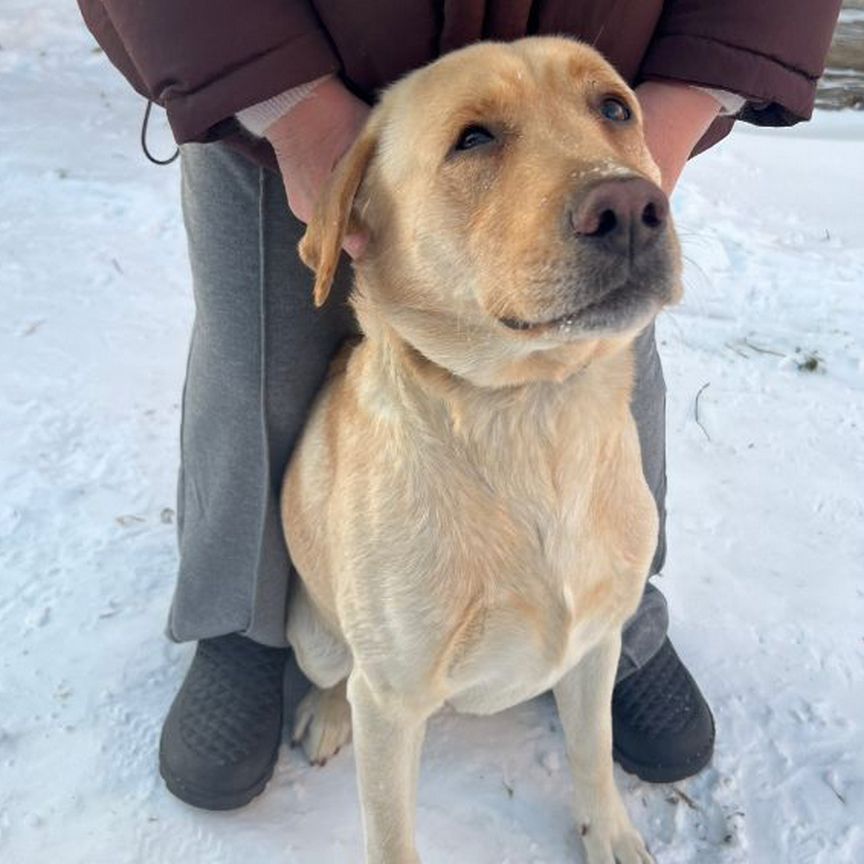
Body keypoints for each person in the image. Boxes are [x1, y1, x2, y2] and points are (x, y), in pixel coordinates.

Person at [78, 1, 842, 810]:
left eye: (611, 112)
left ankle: (615, 619)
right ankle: (245, 621)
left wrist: (687, 95)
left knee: (596, 348)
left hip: (608, 33)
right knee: (260, 358)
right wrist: (283, 108)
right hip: (272, 64)